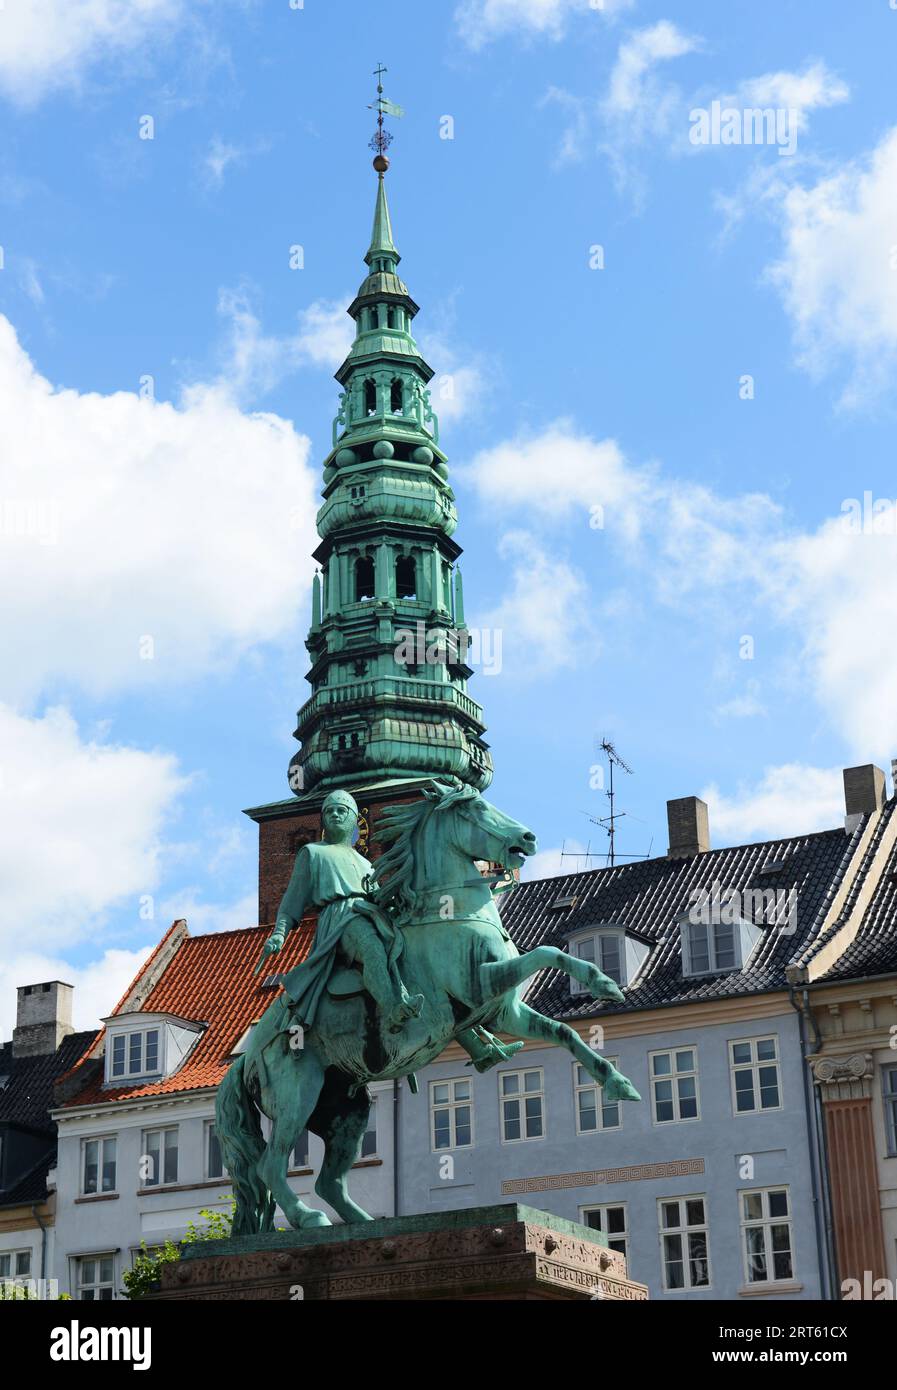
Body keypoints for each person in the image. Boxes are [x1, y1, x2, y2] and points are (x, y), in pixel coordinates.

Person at [256, 789, 423, 1034]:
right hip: (340, 918)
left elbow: (379, 899)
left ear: (354, 819)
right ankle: (392, 1010)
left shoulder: (366, 863)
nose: (334, 814)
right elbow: (292, 900)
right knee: (372, 948)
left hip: (368, 914)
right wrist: (279, 934)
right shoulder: (313, 853)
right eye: (329, 811)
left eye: (341, 810)